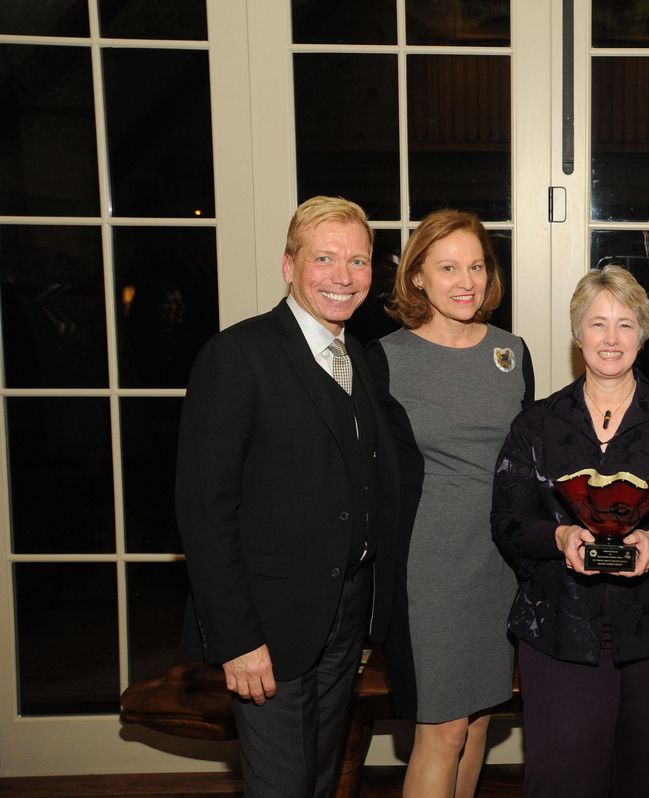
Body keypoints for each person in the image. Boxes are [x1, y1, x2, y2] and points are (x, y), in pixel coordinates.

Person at [176, 196, 421, 797]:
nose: (343, 276)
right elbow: (204, 513)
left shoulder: (358, 358)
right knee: (281, 784)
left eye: (358, 261)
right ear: (289, 266)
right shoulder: (237, 357)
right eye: (325, 258)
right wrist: (236, 641)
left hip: (342, 620)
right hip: (268, 627)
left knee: (317, 778)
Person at [492, 265, 649, 798]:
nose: (610, 338)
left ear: (642, 335)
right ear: (578, 334)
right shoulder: (537, 424)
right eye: (597, 324)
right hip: (559, 629)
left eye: (625, 324)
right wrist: (559, 539)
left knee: (647, 782)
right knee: (560, 781)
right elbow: (508, 522)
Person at [367, 209, 533, 798]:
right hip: (428, 565)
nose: (466, 281)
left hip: (501, 566)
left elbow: (526, 463)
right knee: (442, 729)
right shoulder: (383, 359)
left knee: (481, 718)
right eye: (447, 267)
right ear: (417, 278)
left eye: (476, 266)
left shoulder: (511, 352)